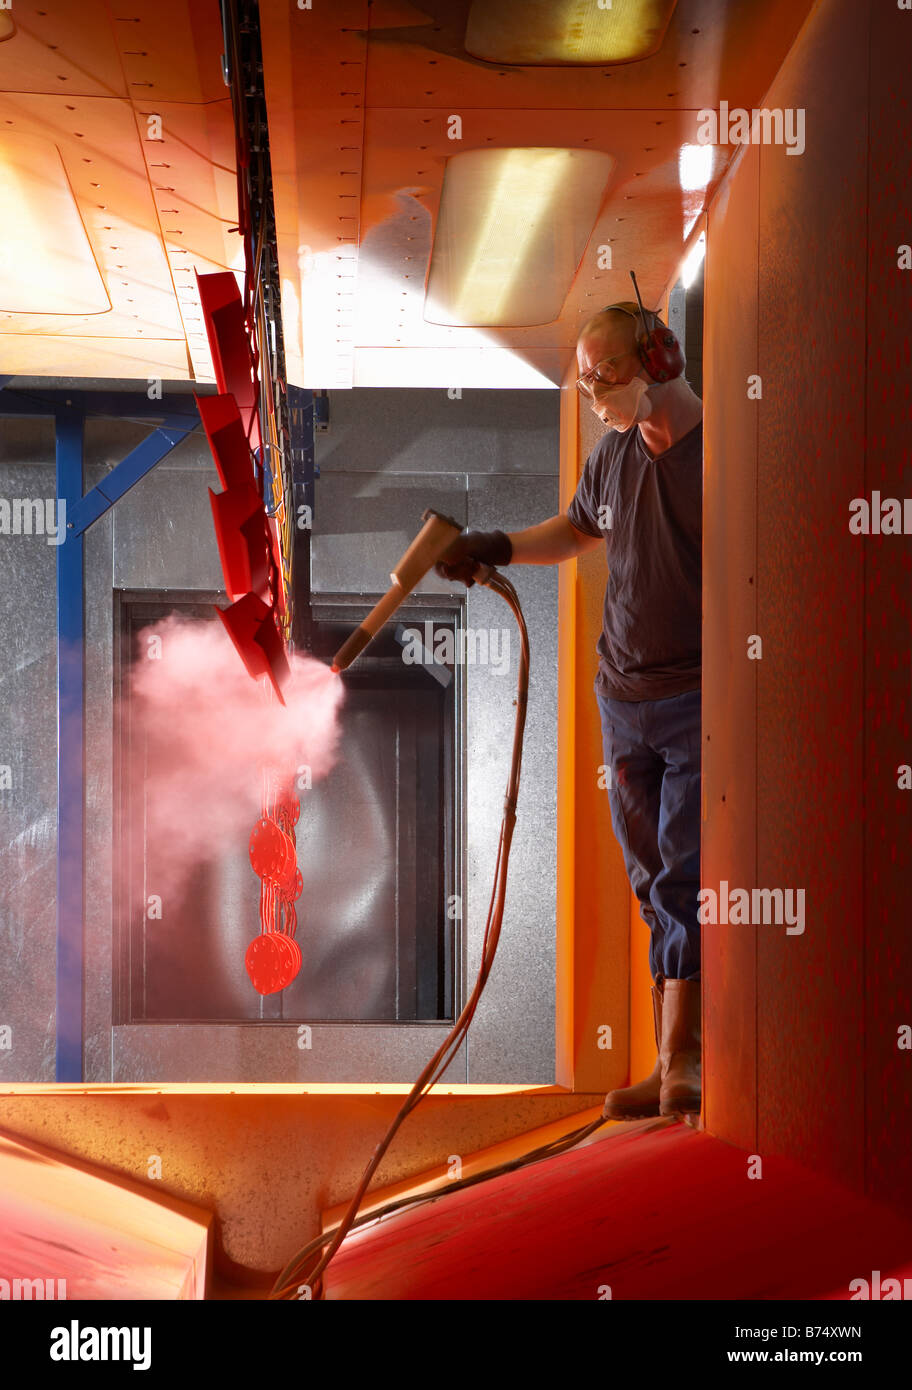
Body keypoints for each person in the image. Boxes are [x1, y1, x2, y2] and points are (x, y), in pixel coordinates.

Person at [435, 300, 703, 1118]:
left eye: (606, 375)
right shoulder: (614, 455)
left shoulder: (721, 455)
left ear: (658, 358)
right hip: (623, 697)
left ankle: (687, 1057)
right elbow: (579, 529)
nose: (595, 394)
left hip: (696, 693)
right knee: (650, 874)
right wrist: (498, 546)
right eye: (585, 380)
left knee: (687, 873)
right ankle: (666, 1063)